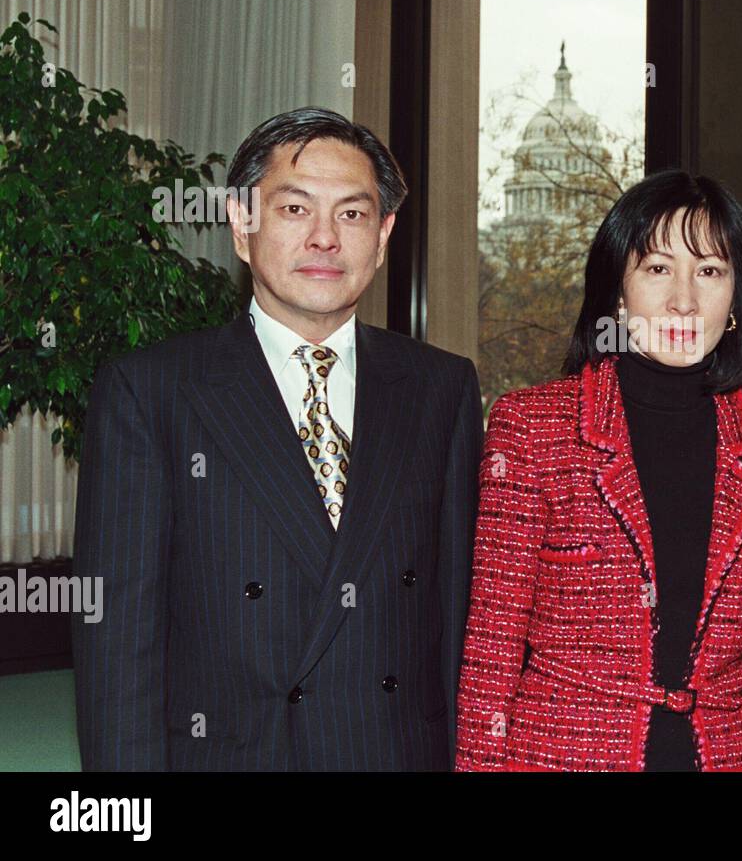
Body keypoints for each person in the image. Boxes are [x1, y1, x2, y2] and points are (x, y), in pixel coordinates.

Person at [71, 107, 481, 770]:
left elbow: (460, 621)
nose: (325, 238)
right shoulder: (152, 392)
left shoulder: (442, 389)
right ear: (242, 226)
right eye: (294, 210)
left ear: (383, 236)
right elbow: (118, 646)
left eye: (351, 215)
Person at [455, 170, 742, 771]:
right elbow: (493, 649)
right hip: (563, 753)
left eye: (710, 271)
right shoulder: (532, 427)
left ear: (736, 297)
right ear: (618, 291)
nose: (684, 298)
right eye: (657, 269)